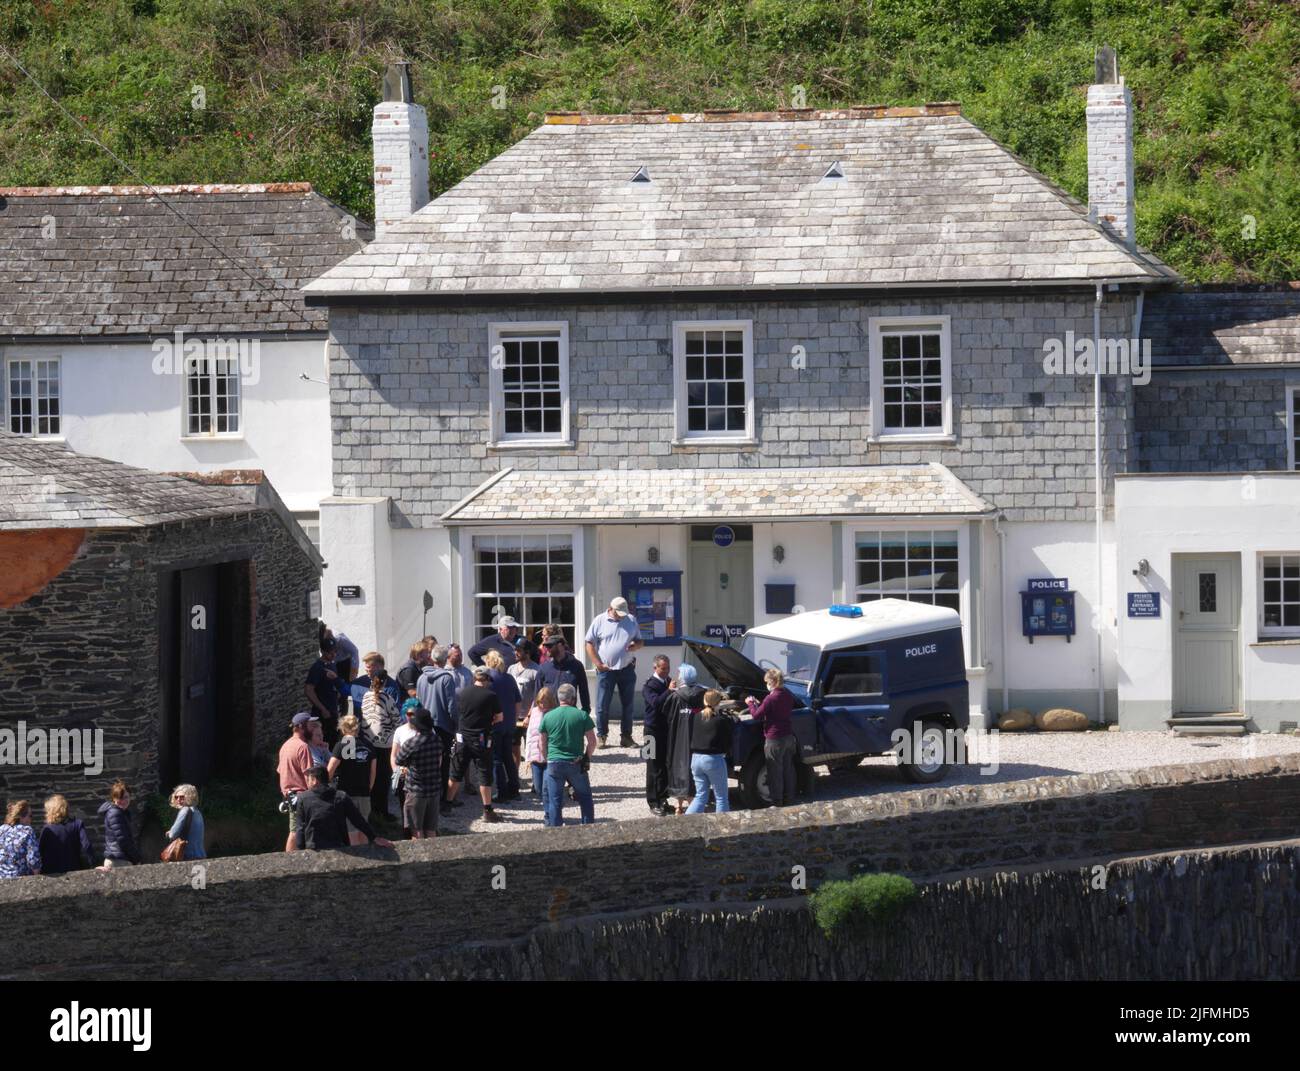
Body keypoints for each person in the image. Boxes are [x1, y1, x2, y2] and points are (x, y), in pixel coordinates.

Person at [445, 666, 504, 824]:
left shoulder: (463, 693)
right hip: (481, 739)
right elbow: (499, 717)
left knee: (456, 773)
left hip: (462, 738)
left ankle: (447, 805)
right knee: (484, 775)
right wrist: (489, 720)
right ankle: (487, 810)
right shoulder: (491, 695)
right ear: (485, 680)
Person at [585, 596, 644, 748]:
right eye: (618, 612)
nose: (620, 616)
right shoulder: (599, 620)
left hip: (627, 668)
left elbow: (640, 641)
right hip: (606, 670)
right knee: (602, 705)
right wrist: (598, 664)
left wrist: (635, 646)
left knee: (628, 705)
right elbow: (589, 643)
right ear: (610, 608)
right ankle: (602, 736)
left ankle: (626, 736)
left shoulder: (631, 620)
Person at [295, 766, 394, 851]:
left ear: (315, 781)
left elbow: (300, 828)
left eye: (308, 779)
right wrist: (374, 837)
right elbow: (357, 820)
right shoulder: (341, 796)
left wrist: (300, 850)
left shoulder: (303, 798)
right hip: (339, 845)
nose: (306, 782)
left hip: (314, 847)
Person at [538, 683, 597, 826]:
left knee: (555, 800)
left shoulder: (548, 716)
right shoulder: (582, 715)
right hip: (575, 762)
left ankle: (555, 832)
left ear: (559, 699)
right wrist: (586, 757)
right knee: (585, 798)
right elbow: (592, 741)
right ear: (573, 698)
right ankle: (588, 829)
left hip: (554, 763)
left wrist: (548, 759)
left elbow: (541, 744)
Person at [355, 661, 402, 817]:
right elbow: (396, 719)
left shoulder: (366, 697)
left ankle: (373, 807)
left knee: (372, 775)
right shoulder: (387, 698)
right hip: (385, 743)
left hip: (368, 740)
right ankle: (382, 809)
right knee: (383, 777)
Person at [745, 668, 797, 806]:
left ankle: (777, 802)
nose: (766, 684)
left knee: (775, 772)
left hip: (774, 738)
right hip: (788, 736)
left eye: (767, 682)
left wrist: (751, 703)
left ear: (772, 682)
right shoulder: (788, 694)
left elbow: (756, 715)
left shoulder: (770, 698)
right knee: (787, 769)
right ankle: (789, 799)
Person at [417, 645, 461, 807]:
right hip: (443, 726)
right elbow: (451, 706)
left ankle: (429, 796)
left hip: (425, 725)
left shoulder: (421, 678)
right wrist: (456, 724)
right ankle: (443, 798)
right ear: (445, 659)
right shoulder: (446, 678)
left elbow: (419, 703)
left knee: (429, 761)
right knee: (444, 763)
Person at [662, 664, 707, 814]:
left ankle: (679, 806)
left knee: (678, 768)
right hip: (698, 738)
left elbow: (666, 714)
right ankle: (694, 802)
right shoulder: (703, 694)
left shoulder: (675, 696)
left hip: (678, 738)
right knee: (696, 770)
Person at [394, 709, 443, 839]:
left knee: (416, 830)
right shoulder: (437, 739)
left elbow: (398, 760)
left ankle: (421, 858)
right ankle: (434, 857)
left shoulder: (412, 743)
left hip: (416, 790)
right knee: (431, 829)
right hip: (434, 789)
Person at [328, 714, 376, 846]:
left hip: (347, 794)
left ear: (343, 729)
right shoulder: (368, 745)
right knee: (364, 829)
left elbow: (330, 770)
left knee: (351, 831)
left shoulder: (342, 746)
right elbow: (373, 772)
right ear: (357, 728)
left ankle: (358, 862)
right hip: (364, 794)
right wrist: (368, 788)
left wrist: (327, 788)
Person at [483, 649, 522, 802]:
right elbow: (517, 701)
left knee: (496, 759)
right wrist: (513, 719)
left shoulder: (488, 680)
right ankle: (514, 789)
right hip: (509, 723)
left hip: (494, 724)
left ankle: (502, 792)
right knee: (508, 757)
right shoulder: (509, 678)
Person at [686, 690, 734, 814]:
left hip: (696, 759)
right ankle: (724, 830)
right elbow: (728, 742)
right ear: (719, 703)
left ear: (704, 700)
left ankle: (686, 825)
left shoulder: (695, 717)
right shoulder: (721, 720)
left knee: (700, 796)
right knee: (721, 798)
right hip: (713, 759)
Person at [278, 713, 316, 852]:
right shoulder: (302, 747)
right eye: (310, 726)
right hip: (301, 796)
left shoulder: (285, 745)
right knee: (295, 831)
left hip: (290, 796)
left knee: (297, 830)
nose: (312, 729)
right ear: (301, 727)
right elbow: (309, 776)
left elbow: (281, 772)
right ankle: (289, 863)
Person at [642, 654, 674, 816]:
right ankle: (653, 801)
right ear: (655, 668)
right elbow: (656, 703)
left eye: (668, 668)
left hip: (664, 730)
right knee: (652, 766)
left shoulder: (668, 682)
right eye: (663, 668)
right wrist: (669, 691)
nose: (666, 671)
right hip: (651, 731)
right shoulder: (649, 685)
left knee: (664, 765)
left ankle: (663, 798)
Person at [509, 639, 541, 779]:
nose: (515, 653)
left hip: (530, 717)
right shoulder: (511, 669)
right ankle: (514, 777)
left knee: (532, 748)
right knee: (514, 748)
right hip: (514, 717)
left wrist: (530, 715)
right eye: (515, 650)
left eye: (519, 650)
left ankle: (536, 780)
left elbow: (537, 697)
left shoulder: (536, 671)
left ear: (527, 653)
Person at [536, 634, 591, 715]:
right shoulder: (543, 667)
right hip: (548, 715)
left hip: (569, 714)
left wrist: (585, 711)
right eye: (546, 646)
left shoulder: (576, 666)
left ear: (560, 645)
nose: (547, 649)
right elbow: (537, 693)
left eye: (550, 646)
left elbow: (584, 691)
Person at [305, 635, 344, 745]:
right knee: (323, 742)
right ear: (322, 651)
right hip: (323, 714)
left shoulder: (332, 664)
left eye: (335, 651)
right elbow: (308, 690)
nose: (333, 655)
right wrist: (322, 709)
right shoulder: (317, 667)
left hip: (333, 710)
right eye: (329, 652)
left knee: (333, 740)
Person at [39, 795, 93, 874]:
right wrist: (93, 864)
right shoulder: (77, 824)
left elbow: (39, 851)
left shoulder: (47, 829)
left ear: (52, 811)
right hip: (74, 869)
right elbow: (87, 846)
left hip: (52, 873)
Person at [96, 781, 141, 870]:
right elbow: (123, 840)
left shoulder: (121, 812)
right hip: (118, 861)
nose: (124, 801)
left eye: (127, 797)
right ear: (114, 798)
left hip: (119, 859)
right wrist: (137, 859)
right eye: (121, 798)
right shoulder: (115, 813)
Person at [390, 699, 422, 822]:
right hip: (404, 776)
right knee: (405, 807)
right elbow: (393, 755)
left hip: (421, 776)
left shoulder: (426, 730)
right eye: (409, 714)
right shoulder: (400, 731)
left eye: (414, 714)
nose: (411, 717)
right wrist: (396, 771)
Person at [524, 686, 557, 798]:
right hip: (535, 756)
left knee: (547, 787)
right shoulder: (534, 712)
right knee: (538, 787)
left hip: (550, 756)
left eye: (545, 702)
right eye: (540, 702)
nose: (542, 705)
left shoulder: (555, 713)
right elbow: (529, 734)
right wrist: (528, 755)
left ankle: (550, 810)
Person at [0, 800, 41, 879]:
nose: (31, 819)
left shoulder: (1, 829)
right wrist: (37, 878)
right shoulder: (27, 831)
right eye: (30, 815)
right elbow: (33, 860)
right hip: (19, 880)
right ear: (21, 816)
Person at [165, 784, 207, 860]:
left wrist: (170, 832)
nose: (178, 800)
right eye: (176, 797)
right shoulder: (197, 812)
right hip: (201, 854)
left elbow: (173, 835)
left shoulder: (185, 810)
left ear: (190, 797)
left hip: (187, 855)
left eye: (182, 797)